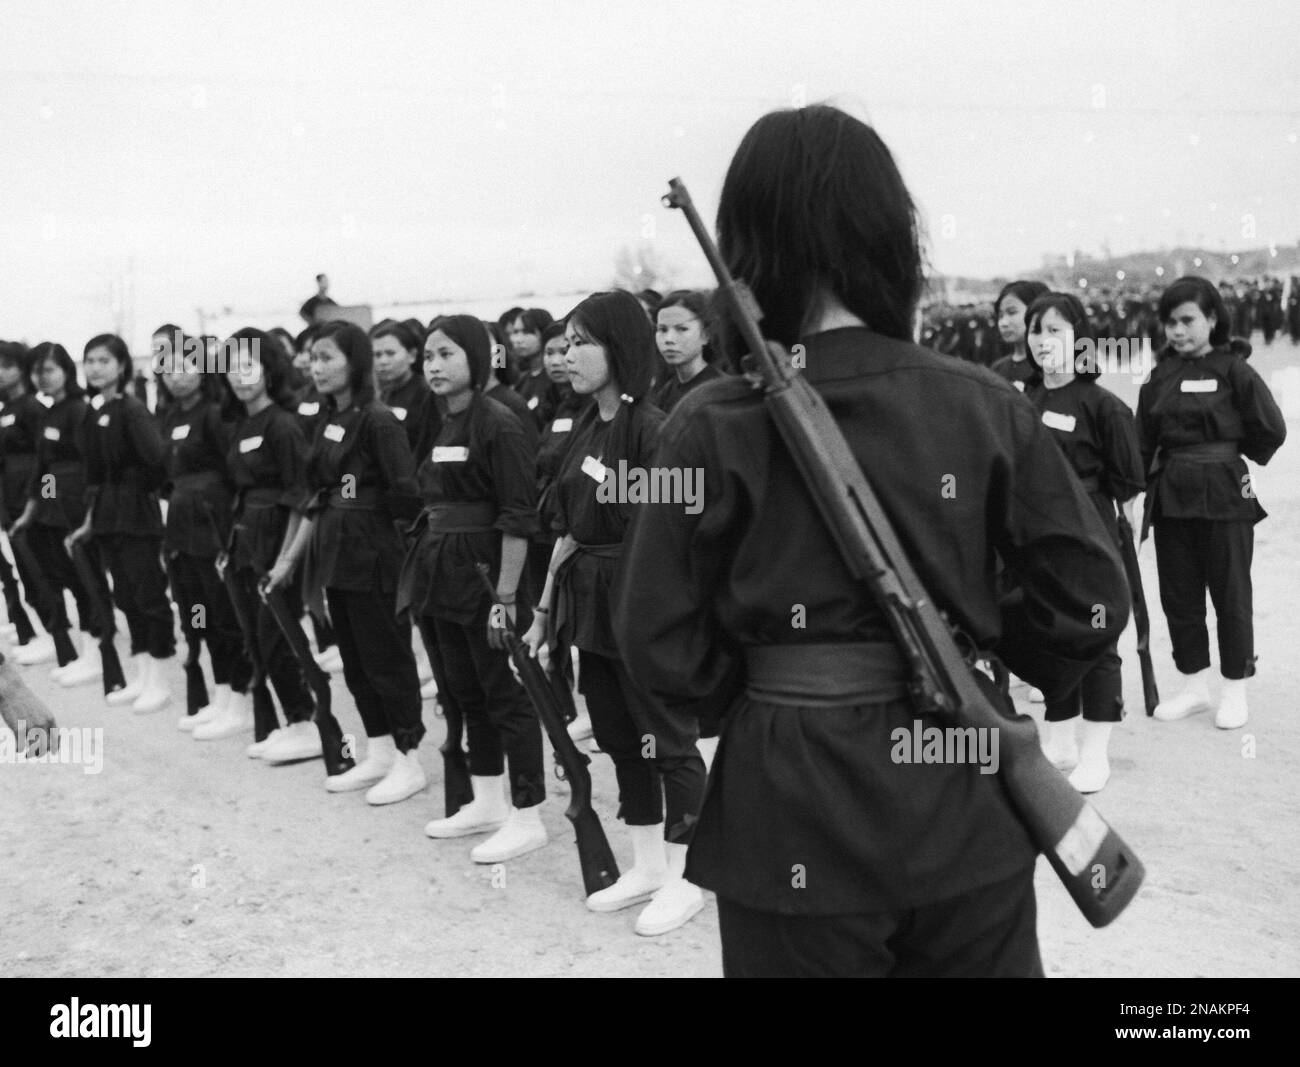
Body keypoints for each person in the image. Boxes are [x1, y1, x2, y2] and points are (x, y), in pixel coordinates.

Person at [612, 104, 1129, 976]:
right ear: (892, 234)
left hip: (788, 809)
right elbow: (1090, 594)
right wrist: (972, 645)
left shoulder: (706, 424)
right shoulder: (981, 400)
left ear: (747, 242)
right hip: (963, 796)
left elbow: (653, 634)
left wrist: (770, 685)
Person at [522, 290, 707, 936]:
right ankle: (648, 862)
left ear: (619, 348)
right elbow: (569, 530)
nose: (567, 355)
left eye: (581, 342)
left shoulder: (654, 430)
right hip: (590, 601)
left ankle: (689, 875)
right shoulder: (586, 426)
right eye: (566, 342)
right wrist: (545, 610)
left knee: (669, 740)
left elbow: (682, 534)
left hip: (643, 599)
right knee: (620, 734)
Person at [405, 315, 548, 859]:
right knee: (463, 690)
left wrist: (507, 599)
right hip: (441, 570)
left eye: (446, 355)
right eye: (428, 357)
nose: (434, 367)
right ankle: (487, 797)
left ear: (477, 357)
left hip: (489, 574)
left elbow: (518, 518)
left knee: (507, 693)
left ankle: (527, 811)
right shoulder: (441, 420)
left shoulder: (500, 422)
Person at [266, 321, 426, 801]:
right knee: (355, 661)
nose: (316, 368)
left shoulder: (378, 419)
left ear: (353, 362)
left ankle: (409, 757)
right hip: (336, 554)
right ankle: (378, 750)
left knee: (388, 659)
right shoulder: (327, 417)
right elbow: (319, 493)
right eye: (312, 358)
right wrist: (290, 561)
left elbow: (406, 495)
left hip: (373, 552)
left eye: (327, 357)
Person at [1139, 276, 1287, 729]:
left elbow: (1271, 427)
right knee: (1179, 596)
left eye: (1187, 321)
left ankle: (1235, 689)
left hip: (1224, 492)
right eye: (1169, 323)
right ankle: (1194, 687)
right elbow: (1142, 439)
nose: (1177, 332)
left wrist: (1231, 453)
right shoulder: (1159, 375)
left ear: (1212, 319)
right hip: (1171, 496)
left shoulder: (1234, 369)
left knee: (1230, 594)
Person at [1023, 293, 1144, 792]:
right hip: (1038, 534)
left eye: (1055, 330)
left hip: (1090, 532)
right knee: (1052, 636)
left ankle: (1096, 753)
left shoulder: (1103, 406)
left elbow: (1129, 483)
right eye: (1037, 330)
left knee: (1097, 640)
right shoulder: (1025, 401)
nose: (1043, 340)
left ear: (1079, 338)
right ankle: (1060, 740)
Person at [213, 328, 315, 748]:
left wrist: (287, 559)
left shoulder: (284, 425)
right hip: (246, 538)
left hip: (277, 538)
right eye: (233, 368)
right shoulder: (241, 424)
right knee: (254, 639)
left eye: (249, 366)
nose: (241, 377)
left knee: (277, 637)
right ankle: (287, 723)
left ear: (270, 369)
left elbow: (301, 497)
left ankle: (305, 722)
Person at [65, 334, 175, 712]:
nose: (95, 368)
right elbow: (95, 476)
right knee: (126, 597)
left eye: (103, 360)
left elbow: (157, 460)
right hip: (108, 518)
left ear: (122, 365)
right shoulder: (95, 411)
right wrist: (90, 521)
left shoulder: (131, 410)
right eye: (90, 361)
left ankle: (160, 678)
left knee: (149, 597)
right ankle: (142, 674)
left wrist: (136, 495)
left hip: (136, 517)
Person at [156, 335, 247, 734]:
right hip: (181, 528)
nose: (177, 376)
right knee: (199, 615)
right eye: (170, 369)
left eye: (186, 367)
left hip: (211, 526)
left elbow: (234, 473)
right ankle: (221, 691)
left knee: (225, 613)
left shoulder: (214, 414)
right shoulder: (171, 416)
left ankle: (240, 698)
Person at [7, 343, 99, 682]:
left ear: (65, 371)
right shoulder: (49, 411)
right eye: (37, 371)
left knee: (86, 582)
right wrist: (37, 507)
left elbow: (91, 463)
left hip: (75, 506)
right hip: (52, 509)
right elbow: (44, 468)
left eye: (49, 370)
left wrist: (87, 510)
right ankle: (78, 647)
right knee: (62, 579)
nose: (42, 377)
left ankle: (96, 652)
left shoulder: (78, 410)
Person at [0, 341, 49, 661]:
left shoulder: (32, 407)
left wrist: (46, 501)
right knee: (23, 567)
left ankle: (53, 631)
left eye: (7, 365)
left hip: (32, 498)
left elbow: (48, 460)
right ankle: (37, 628)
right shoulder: (5, 411)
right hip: (10, 498)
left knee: (41, 567)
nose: (1, 373)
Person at [651, 289, 724, 415]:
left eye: (682, 329)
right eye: (662, 329)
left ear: (705, 334)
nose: (669, 339)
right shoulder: (665, 392)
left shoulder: (719, 390)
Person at [371, 320, 430, 453]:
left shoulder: (426, 393)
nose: (383, 361)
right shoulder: (380, 393)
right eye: (377, 355)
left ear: (412, 355)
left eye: (390, 353)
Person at [989, 280, 1050, 393]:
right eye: (1000, 315)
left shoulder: (1052, 366)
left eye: (1012, 312)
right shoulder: (998, 368)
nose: (1003, 323)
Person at [504, 308, 555, 422]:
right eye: (515, 332)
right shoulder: (521, 381)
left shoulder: (555, 378)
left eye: (526, 332)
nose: (518, 340)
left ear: (544, 332)